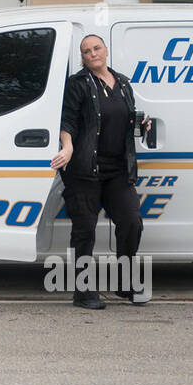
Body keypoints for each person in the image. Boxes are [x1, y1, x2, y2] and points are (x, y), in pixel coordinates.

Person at [50, 34, 149, 309]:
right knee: (85, 230)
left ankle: (125, 284)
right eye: (86, 51)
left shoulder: (124, 83)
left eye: (96, 48)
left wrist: (142, 123)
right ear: (82, 58)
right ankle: (83, 293)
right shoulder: (78, 84)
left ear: (105, 50)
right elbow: (67, 119)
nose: (92, 54)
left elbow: (125, 118)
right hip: (85, 169)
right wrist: (67, 146)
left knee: (131, 222)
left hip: (118, 169)